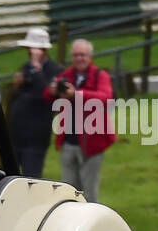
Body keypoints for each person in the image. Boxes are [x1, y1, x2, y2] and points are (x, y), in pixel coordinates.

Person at [43, 38, 115, 203]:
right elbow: (46, 95)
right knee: (68, 191)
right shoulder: (67, 75)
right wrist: (53, 90)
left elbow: (105, 97)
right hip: (69, 141)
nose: (79, 59)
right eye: (75, 55)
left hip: (92, 142)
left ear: (90, 56)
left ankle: (92, 224)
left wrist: (76, 94)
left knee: (89, 191)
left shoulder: (99, 75)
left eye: (82, 55)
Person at [8, 27, 62, 178]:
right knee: (8, 176)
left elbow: (45, 94)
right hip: (17, 134)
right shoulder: (26, 68)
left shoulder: (55, 70)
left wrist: (37, 70)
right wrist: (17, 85)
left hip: (36, 137)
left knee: (31, 177)